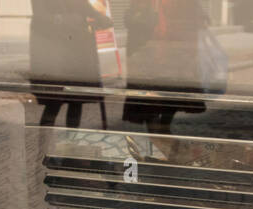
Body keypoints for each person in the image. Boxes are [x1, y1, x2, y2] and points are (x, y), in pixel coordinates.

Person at [123, 0, 222, 135]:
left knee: (170, 96)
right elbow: (131, 19)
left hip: (171, 56)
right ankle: (157, 130)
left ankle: (162, 128)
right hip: (150, 55)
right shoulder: (146, 5)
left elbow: (200, 19)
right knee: (151, 99)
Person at [30, 0, 112, 128]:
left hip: (77, 57)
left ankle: (72, 140)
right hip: (56, 58)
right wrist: (68, 20)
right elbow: (40, 17)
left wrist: (100, 18)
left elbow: (90, 11)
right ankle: (44, 144)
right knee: (53, 104)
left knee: (75, 102)